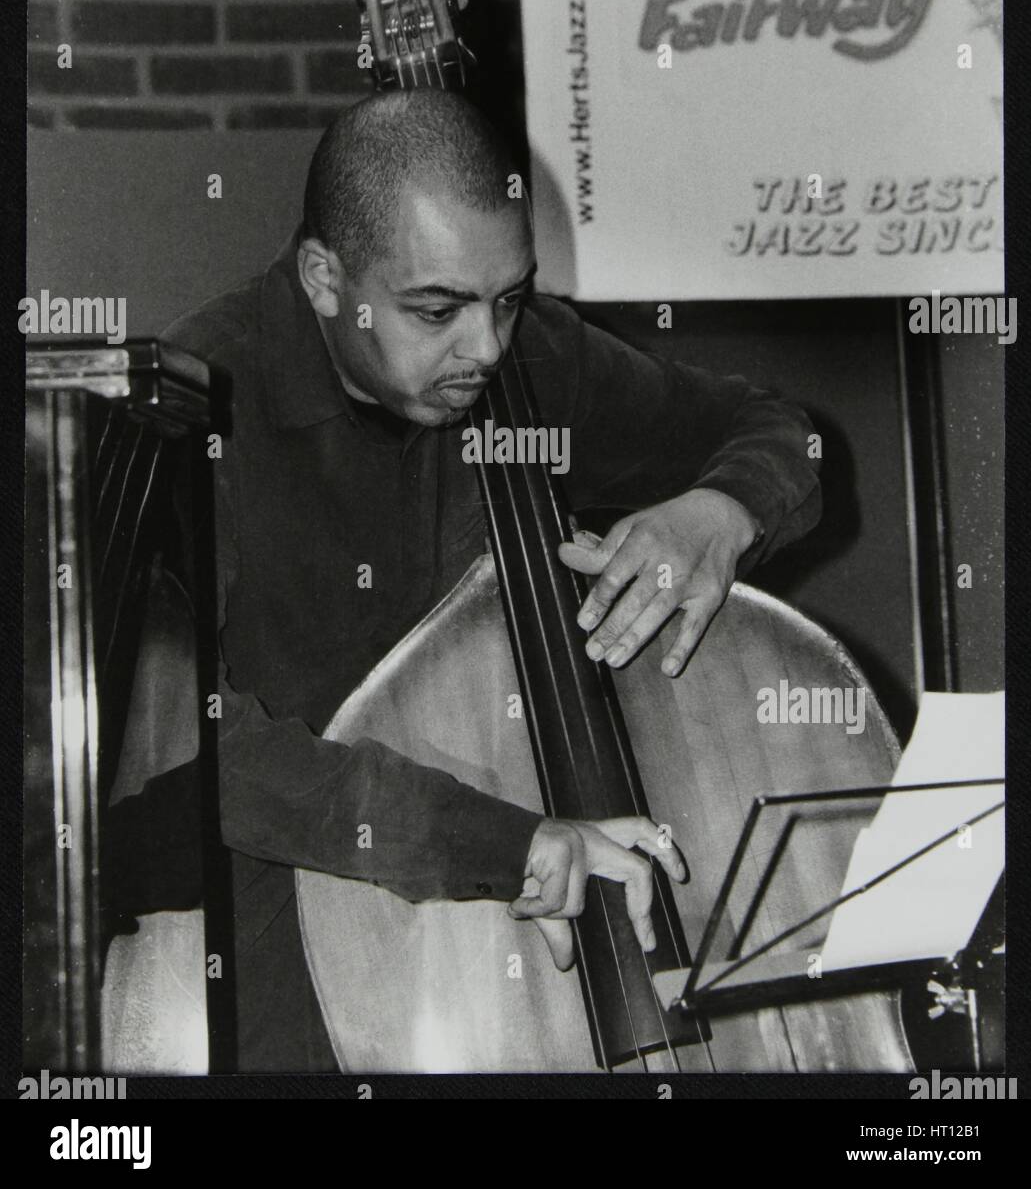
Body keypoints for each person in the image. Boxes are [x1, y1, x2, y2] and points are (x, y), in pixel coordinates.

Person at [163, 89, 822, 1070]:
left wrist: (717, 513)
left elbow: (776, 433)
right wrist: (506, 844)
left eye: (508, 298)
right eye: (437, 309)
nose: (486, 348)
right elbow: (198, 751)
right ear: (322, 276)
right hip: (310, 953)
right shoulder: (200, 400)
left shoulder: (526, 362)